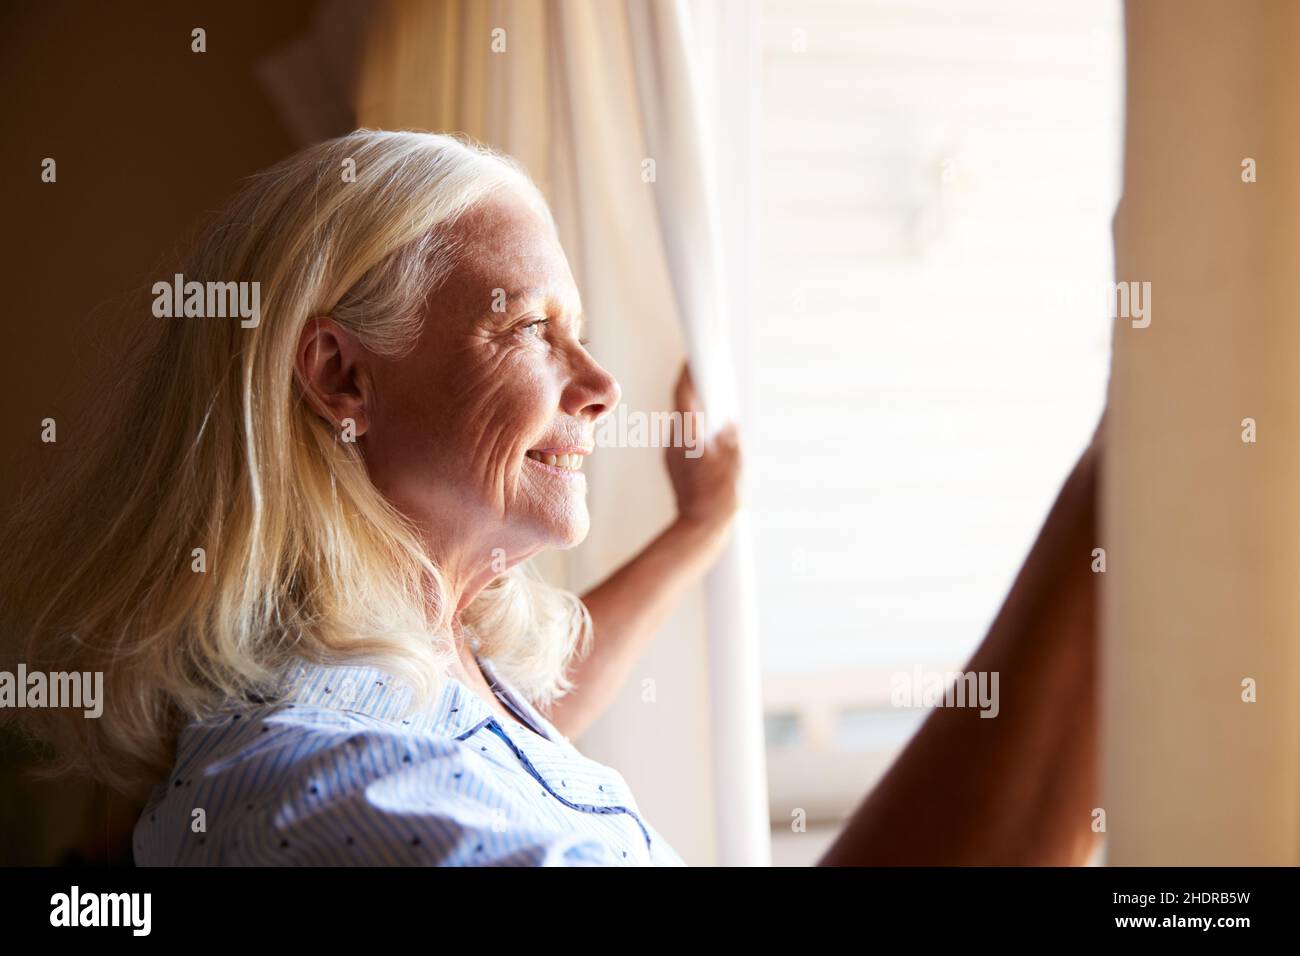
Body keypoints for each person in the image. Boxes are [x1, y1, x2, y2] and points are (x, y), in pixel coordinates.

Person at [0, 129, 1100, 866]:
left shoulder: (411, 686)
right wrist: (1118, 492)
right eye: (530, 326)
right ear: (342, 375)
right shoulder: (322, 784)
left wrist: (698, 528)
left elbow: (511, 735)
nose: (601, 382)